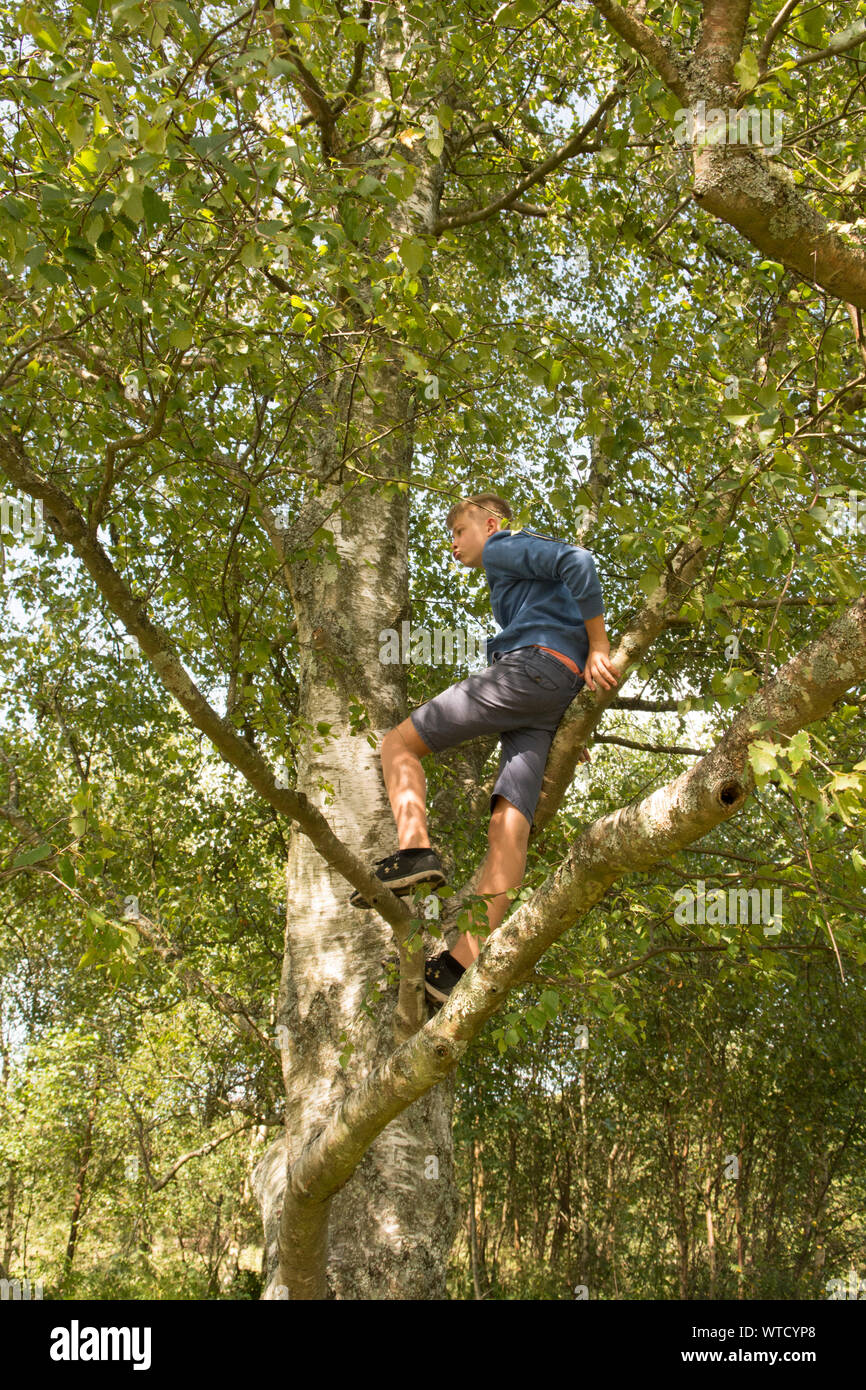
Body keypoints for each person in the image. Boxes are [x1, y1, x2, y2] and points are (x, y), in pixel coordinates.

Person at [351, 493, 619, 1002]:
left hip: (529, 671)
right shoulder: (521, 584)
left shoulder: (502, 546)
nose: (453, 544)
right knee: (508, 826)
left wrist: (601, 645)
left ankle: (415, 853)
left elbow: (579, 561)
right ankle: (458, 966)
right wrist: (569, 715)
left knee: (397, 744)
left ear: (490, 524)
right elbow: (566, 623)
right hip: (551, 694)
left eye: (458, 532)